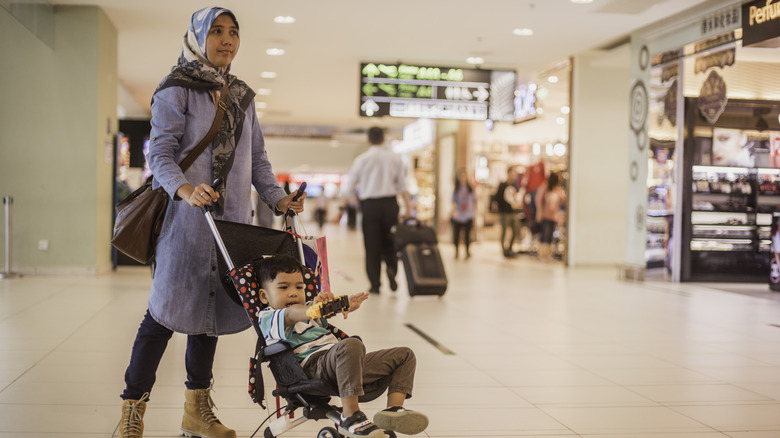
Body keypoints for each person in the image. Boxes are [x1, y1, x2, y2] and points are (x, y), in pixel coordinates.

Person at [116, 7, 306, 438]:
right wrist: (185, 189)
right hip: (185, 226)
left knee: (211, 317)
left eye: (233, 32)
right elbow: (159, 153)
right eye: (216, 31)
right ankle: (133, 408)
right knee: (162, 316)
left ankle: (196, 410)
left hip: (230, 229)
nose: (226, 39)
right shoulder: (175, 88)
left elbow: (257, 160)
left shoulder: (242, 95)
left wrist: (280, 199)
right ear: (197, 37)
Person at [254, 255, 429, 438]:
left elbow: (310, 310)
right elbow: (291, 314)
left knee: (404, 355)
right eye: (283, 287)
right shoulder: (269, 317)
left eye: (299, 287)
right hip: (312, 367)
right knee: (351, 345)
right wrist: (314, 310)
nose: (293, 293)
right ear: (264, 296)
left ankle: (393, 410)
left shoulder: (308, 308)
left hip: (343, 364)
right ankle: (351, 416)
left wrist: (336, 305)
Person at [345, 127, 412, 293]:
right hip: (390, 204)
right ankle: (391, 271)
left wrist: (342, 207)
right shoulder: (395, 159)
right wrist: (409, 207)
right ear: (384, 138)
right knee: (390, 241)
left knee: (371, 245)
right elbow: (403, 186)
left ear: (368, 140)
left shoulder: (362, 159)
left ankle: (375, 284)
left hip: (370, 206)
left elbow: (350, 186)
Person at [535, 172, 566, 262]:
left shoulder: (557, 190)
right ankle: (542, 254)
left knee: (550, 237)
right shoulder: (545, 188)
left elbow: (563, 200)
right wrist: (539, 212)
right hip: (545, 216)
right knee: (544, 235)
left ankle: (548, 255)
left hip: (554, 217)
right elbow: (538, 200)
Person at [494, 166, 522, 258]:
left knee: (515, 231)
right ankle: (504, 250)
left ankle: (510, 248)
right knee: (504, 231)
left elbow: (516, 197)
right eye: (513, 173)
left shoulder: (515, 186)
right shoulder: (502, 185)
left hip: (513, 212)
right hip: (504, 212)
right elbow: (497, 198)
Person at [451, 169, 476, 259]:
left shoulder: (470, 189)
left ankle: (467, 252)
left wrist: (474, 213)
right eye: (461, 176)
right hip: (458, 215)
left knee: (467, 235)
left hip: (468, 215)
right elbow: (453, 201)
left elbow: (474, 201)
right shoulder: (457, 189)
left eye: (464, 176)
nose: (463, 178)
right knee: (457, 235)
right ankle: (457, 251)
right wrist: (454, 211)